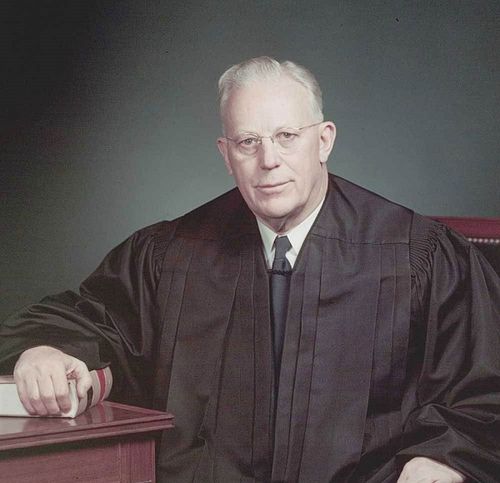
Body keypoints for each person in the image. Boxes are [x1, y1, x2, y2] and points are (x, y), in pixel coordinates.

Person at [1, 56, 500, 482]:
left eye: (287, 136)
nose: (269, 161)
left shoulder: (416, 254)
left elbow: (482, 391)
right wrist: (45, 351)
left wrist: (441, 459)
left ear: (324, 140)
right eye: (248, 142)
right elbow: (90, 319)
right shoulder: (170, 254)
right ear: (226, 154)